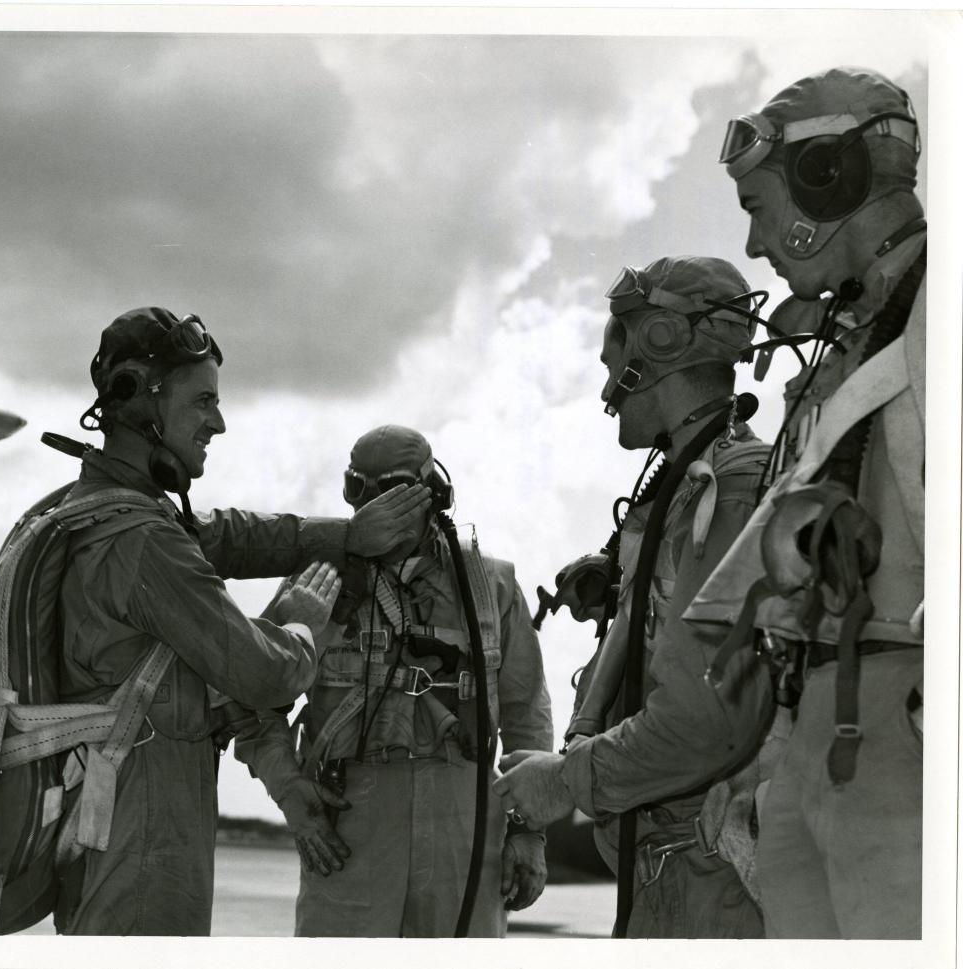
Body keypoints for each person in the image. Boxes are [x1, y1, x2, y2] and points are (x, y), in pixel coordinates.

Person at [53, 307, 432, 934]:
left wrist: (345, 536)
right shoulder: (144, 541)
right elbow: (262, 677)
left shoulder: (98, 508)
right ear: (141, 398)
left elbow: (224, 535)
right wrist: (303, 624)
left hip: (106, 810)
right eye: (202, 401)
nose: (218, 422)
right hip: (145, 829)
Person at [683, 67, 926, 939]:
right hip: (830, 727)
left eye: (757, 205)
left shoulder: (941, 324)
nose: (755, 247)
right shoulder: (844, 354)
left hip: (911, 726)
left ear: (831, 173)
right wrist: (777, 752)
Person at [494, 256, 776, 938]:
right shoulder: (684, 490)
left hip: (707, 871)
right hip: (671, 860)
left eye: (607, 360)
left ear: (658, 343)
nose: (606, 387)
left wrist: (562, 780)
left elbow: (703, 721)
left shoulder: (728, 490)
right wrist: (624, 587)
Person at [234, 425, 553, 937]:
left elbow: (527, 714)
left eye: (398, 488)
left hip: (464, 824)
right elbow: (253, 698)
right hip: (349, 826)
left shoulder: (491, 586)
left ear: (434, 493)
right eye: (363, 489)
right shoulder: (317, 583)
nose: (379, 505)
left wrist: (529, 831)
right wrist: (293, 796)